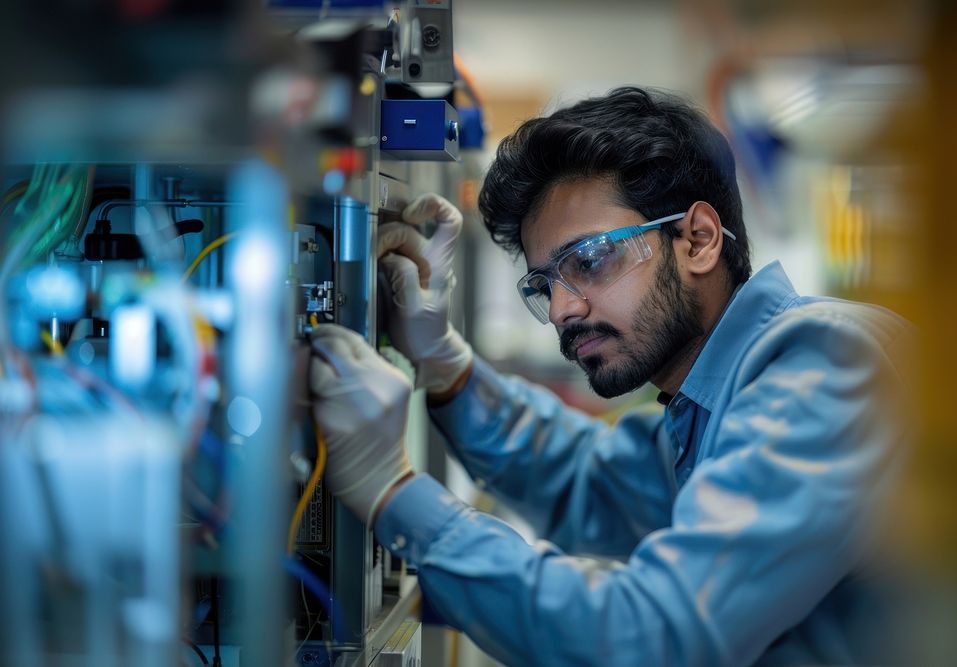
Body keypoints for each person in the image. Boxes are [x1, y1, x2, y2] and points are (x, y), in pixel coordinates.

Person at [308, 86, 912, 666]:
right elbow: (584, 480)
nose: (563, 309)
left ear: (697, 239)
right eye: (545, 284)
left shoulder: (825, 358)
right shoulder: (705, 408)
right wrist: (444, 364)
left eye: (590, 260)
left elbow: (653, 637)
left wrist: (391, 490)